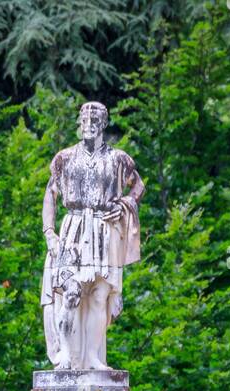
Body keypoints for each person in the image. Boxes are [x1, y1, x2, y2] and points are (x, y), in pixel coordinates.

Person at [41, 101, 145, 370]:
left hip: (104, 230)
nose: (89, 123)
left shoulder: (118, 159)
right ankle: (67, 356)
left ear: (104, 123)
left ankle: (92, 358)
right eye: (85, 119)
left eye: (95, 119)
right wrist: (49, 233)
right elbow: (50, 196)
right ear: (79, 122)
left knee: (100, 295)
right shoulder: (64, 158)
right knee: (70, 291)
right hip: (73, 229)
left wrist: (124, 205)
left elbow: (138, 187)